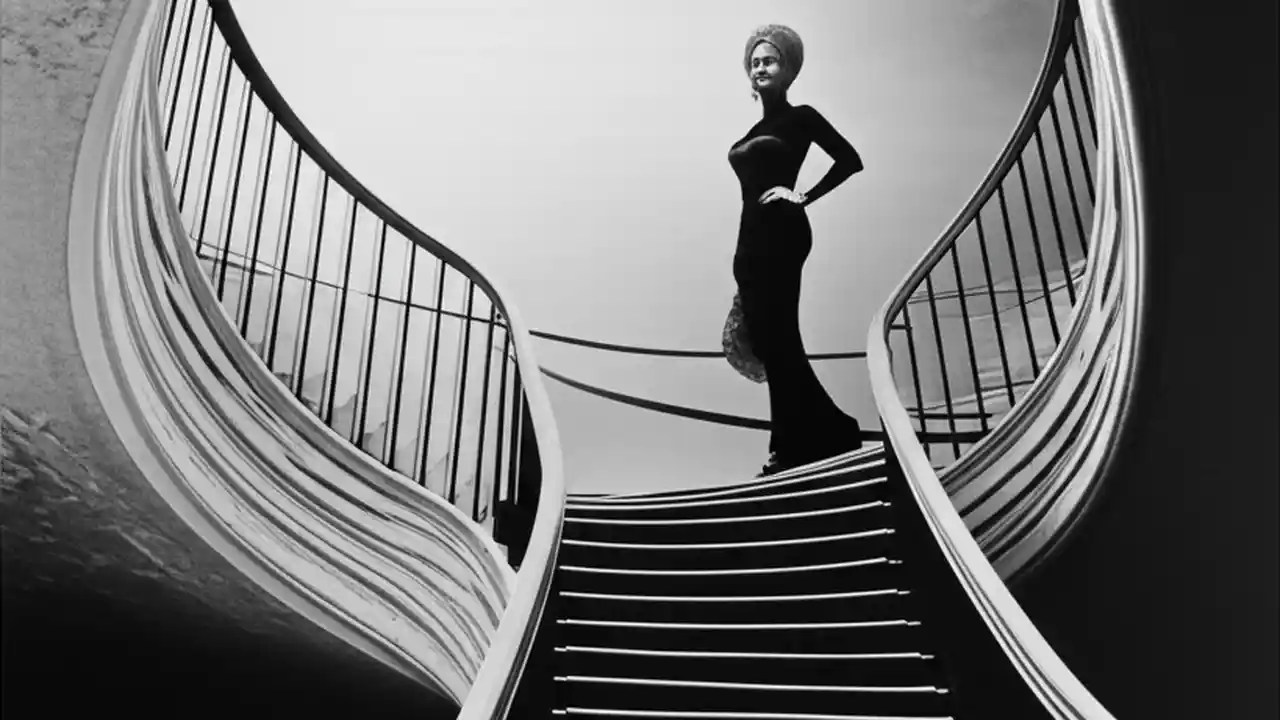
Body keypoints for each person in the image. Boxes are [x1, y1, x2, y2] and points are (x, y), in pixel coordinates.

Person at [728, 24, 865, 476]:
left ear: (787, 70)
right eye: (754, 63)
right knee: (771, 343)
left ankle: (788, 446)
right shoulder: (753, 128)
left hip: (783, 233)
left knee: (781, 338)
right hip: (749, 243)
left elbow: (849, 159)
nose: (759, 68)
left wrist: (803, 195)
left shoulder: (801, 116)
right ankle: (827, 431)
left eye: (768, 61)